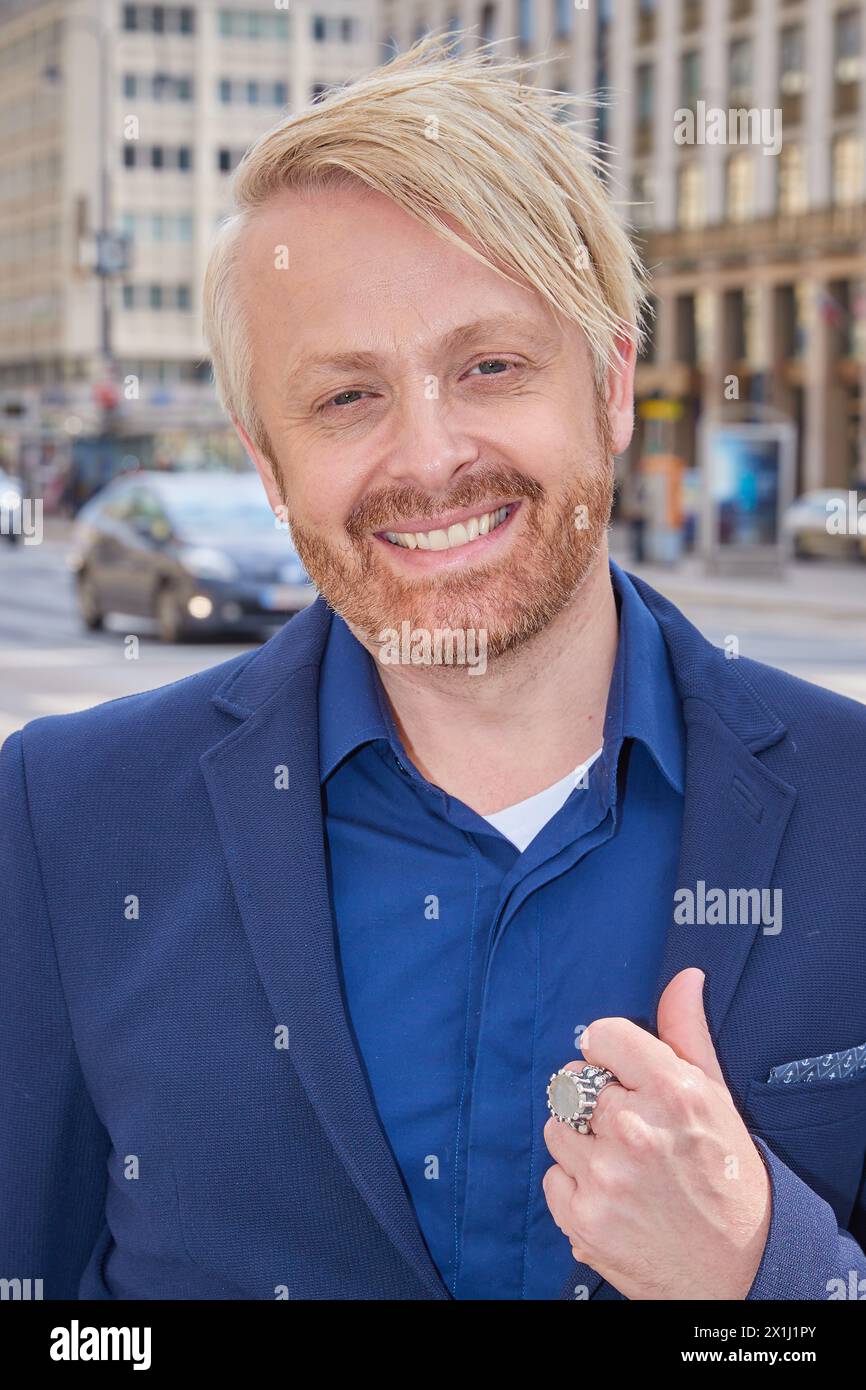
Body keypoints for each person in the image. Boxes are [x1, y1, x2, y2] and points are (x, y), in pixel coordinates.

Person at [1, 34, 864, 1302]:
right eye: (346, 398)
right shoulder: (66, 818)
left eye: (489, 366)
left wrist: (766, 1275)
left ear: (611, 384)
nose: (429, 456)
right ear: (265, 458)